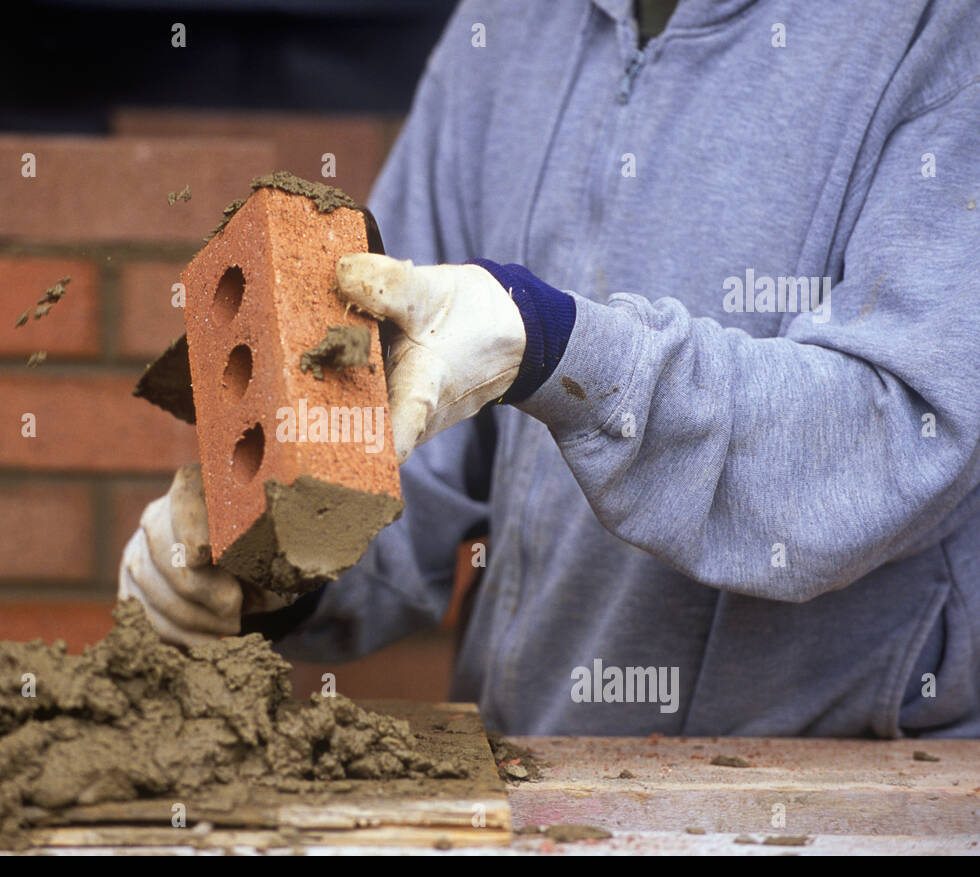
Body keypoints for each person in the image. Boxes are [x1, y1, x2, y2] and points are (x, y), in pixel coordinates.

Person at [120, 0, 980, 738]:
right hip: (533, 783)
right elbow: (391, 426)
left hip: (836, 807)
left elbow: (904, 434)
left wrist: (555, 347)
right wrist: (270, 563)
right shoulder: (506, 26)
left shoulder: (939, 29)